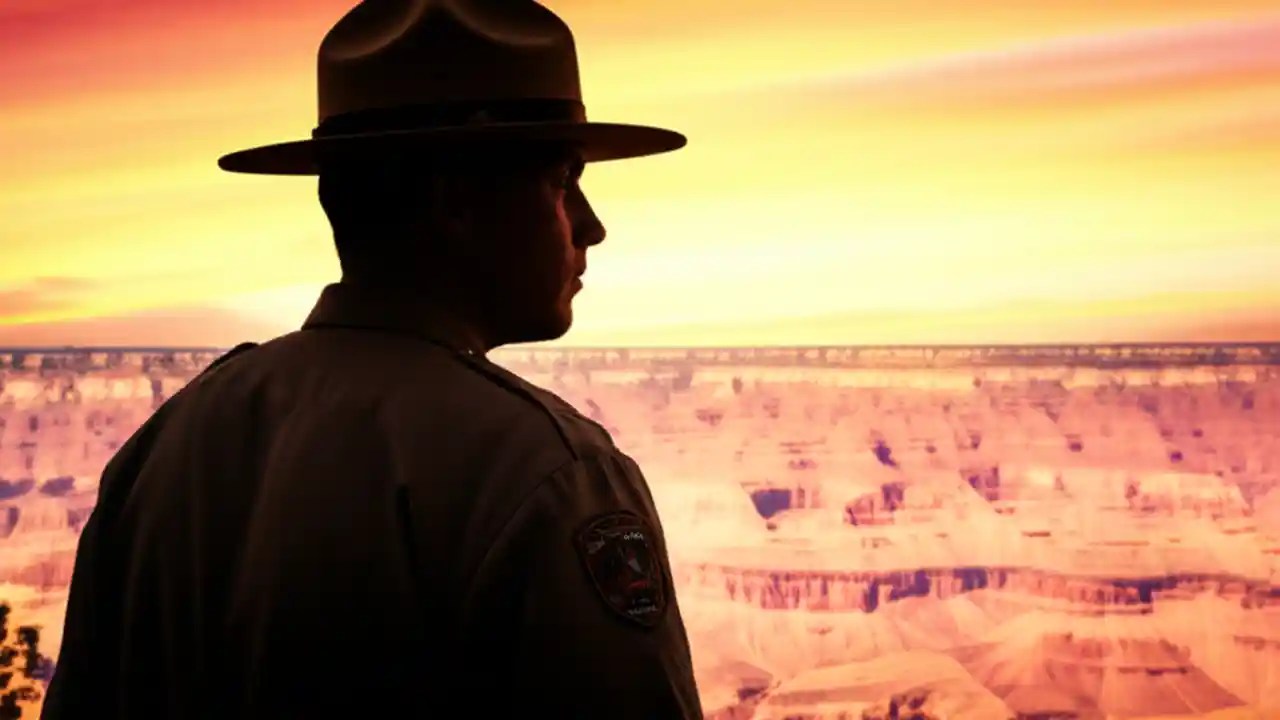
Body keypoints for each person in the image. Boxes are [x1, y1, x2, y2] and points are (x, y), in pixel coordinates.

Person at [42, 1, 702, 717]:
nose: (590, 226)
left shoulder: (167, 448)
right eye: (562, 181)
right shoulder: (546, 470)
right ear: (456, 200)